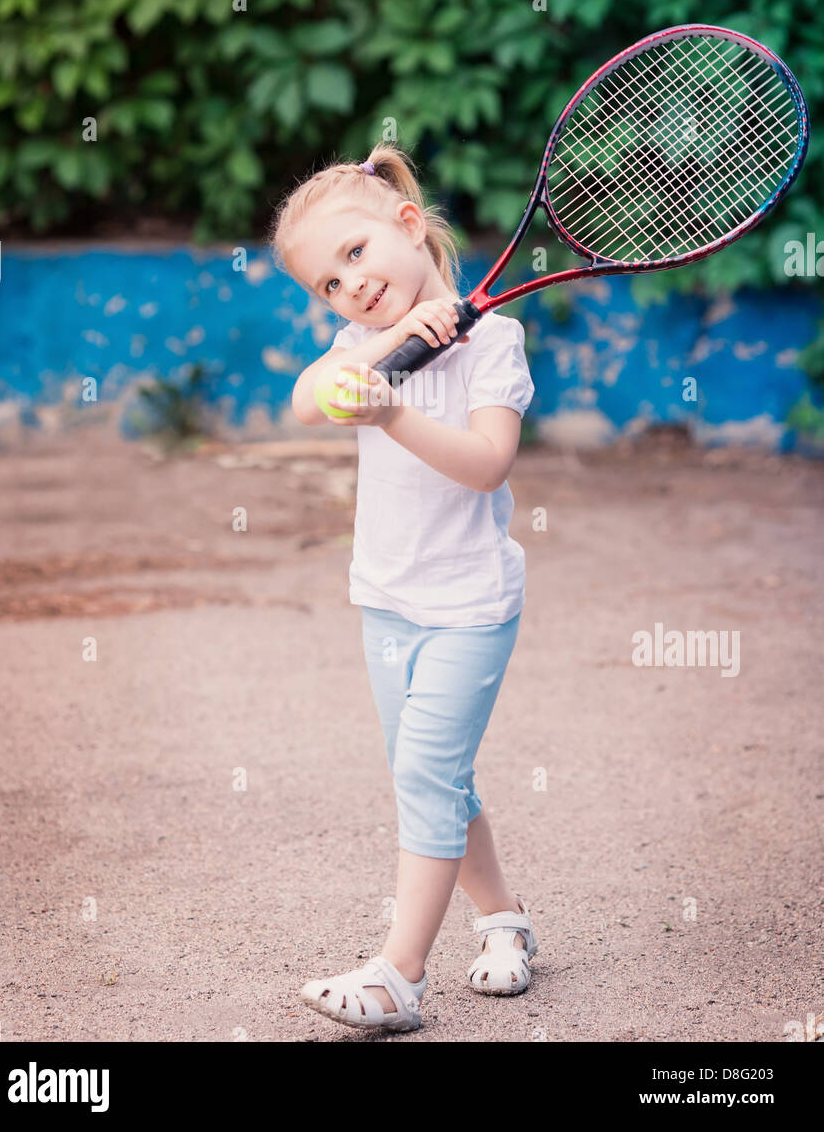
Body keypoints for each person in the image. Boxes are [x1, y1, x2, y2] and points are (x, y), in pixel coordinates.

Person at [268, 143, 536, 1032]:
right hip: (384, 601)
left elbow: (488, 465)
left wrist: (394, 410)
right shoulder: (359, 345)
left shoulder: (493, 338)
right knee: (438, 782)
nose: (349, 286)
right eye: (328, 286)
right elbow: (308, 401)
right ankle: (503, 923)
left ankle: (400, 976)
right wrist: (383, 350)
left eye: (356, 255)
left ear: (408, 225)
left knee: (426, 773)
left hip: (468, 608)